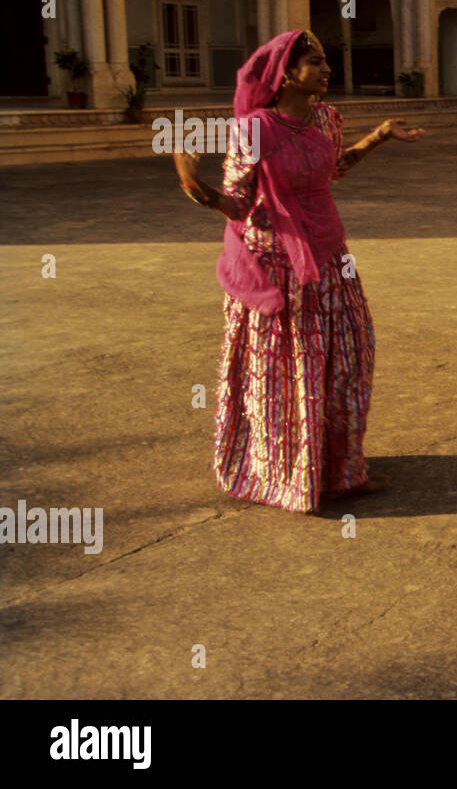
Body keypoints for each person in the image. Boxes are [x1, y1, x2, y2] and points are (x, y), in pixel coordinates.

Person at [171, 29, 424, 512]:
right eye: (315, 62)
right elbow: (238, 203)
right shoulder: (254, 129)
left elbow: (334, 168)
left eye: (326, 60)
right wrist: (191, 182)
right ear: (284, 74)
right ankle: (288, 472)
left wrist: (379, 137)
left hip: (330, 253)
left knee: (349, 358)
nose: (327, 69)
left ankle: (341, 469)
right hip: (277, 263)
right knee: (290, 369)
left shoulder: (326, 118)